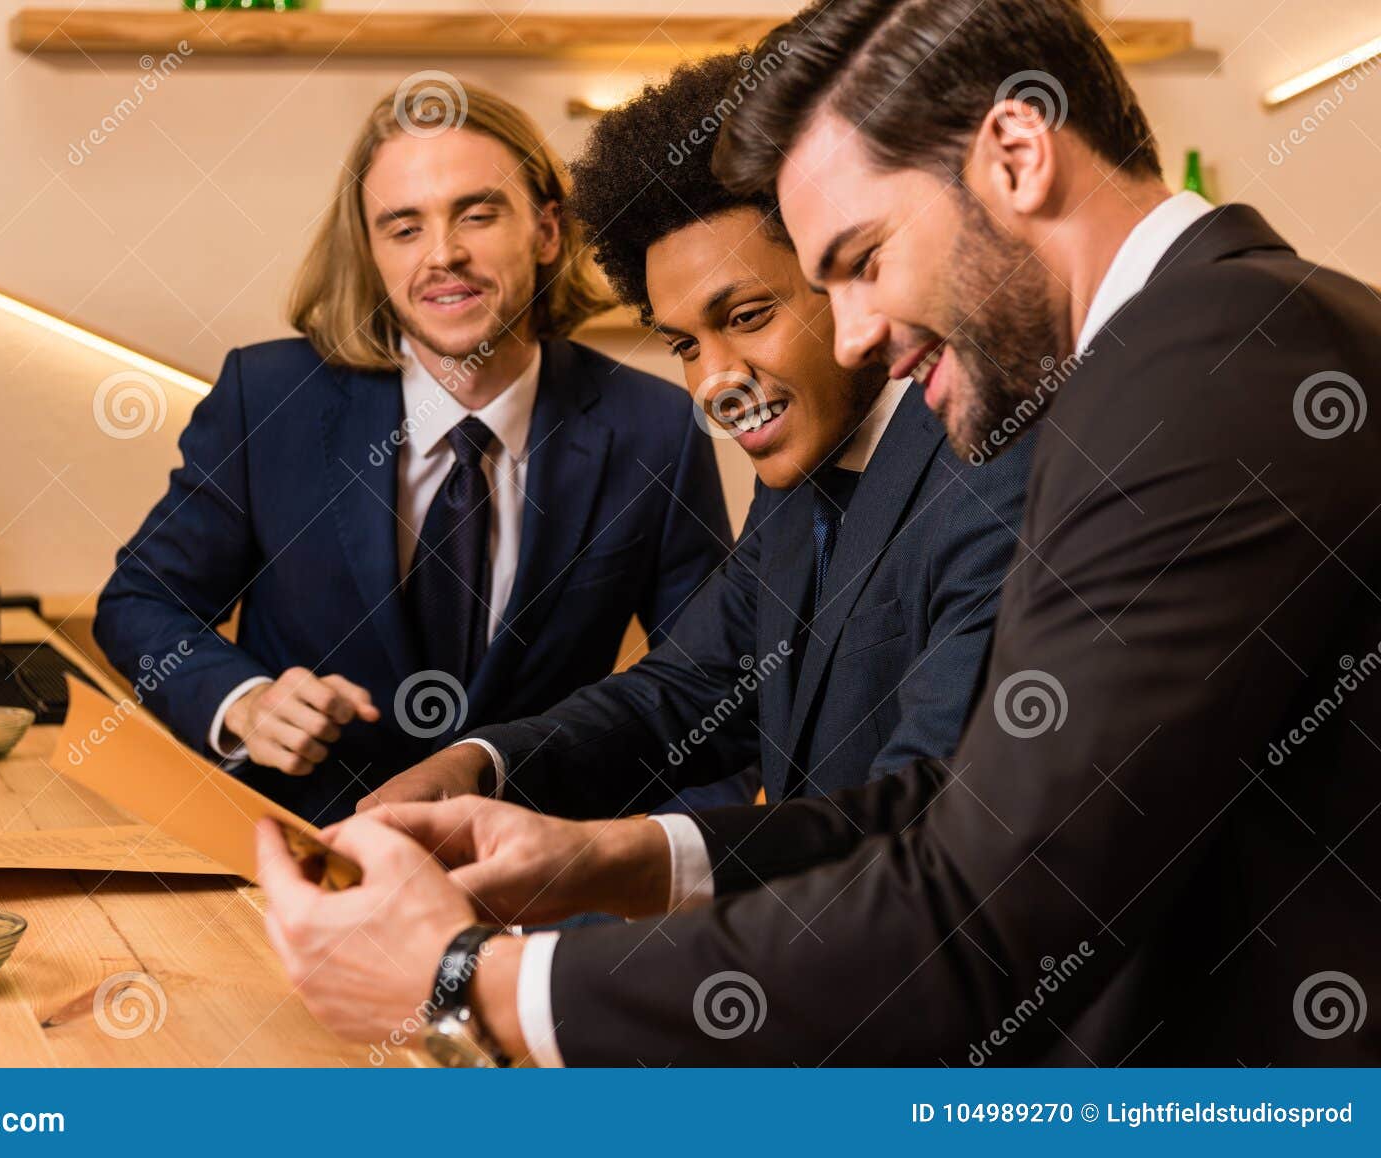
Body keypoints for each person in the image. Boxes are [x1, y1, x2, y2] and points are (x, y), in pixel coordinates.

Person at [255, 0, 1380, 1066]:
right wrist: (607, 856)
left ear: (1016, 154)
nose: (853, 335)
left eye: (861, 260)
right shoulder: (1198, 345)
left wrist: (473, 984)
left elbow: (978, 909)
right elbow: (957, 816)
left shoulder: (1213, 349)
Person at [364, 53, 1032, 819]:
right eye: (684, 345)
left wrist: (614, 867)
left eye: (746, 318)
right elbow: (687, 690)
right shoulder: (797, 479)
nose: (716, 383)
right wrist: (481, 766)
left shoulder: (994, 462)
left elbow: (926, 825)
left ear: (846, 271)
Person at [94, 81, 731, 824]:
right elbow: (142, 603)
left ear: (548, 231)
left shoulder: (654, 427)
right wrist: (246, 703)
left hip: (540, 887)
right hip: (296, 870)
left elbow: (712, 683)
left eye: (478, 214)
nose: (443, 256)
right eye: (403, 229)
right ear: (371, 254)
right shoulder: (268, 400)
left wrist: (649, 876)